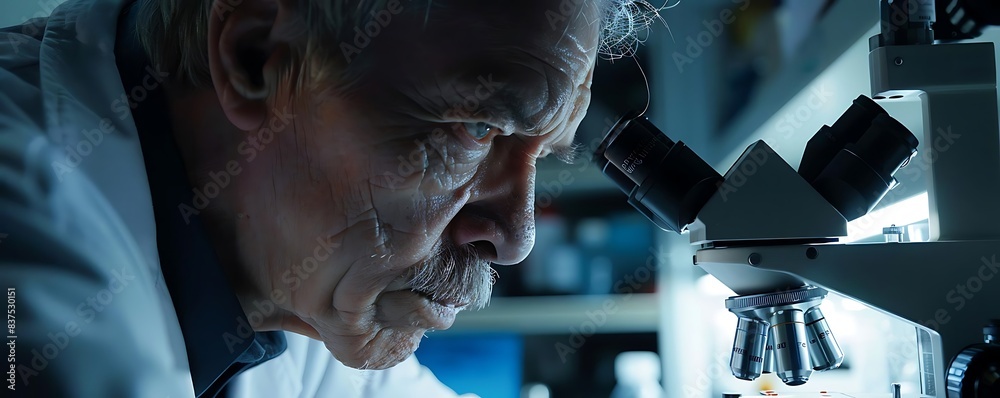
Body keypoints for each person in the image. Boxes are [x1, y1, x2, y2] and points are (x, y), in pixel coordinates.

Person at [0, 0, 626, 396]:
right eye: (478, 129)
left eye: (539, 157)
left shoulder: (286, 270)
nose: (516, 238)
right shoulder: (30, 257)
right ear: (256, 59)